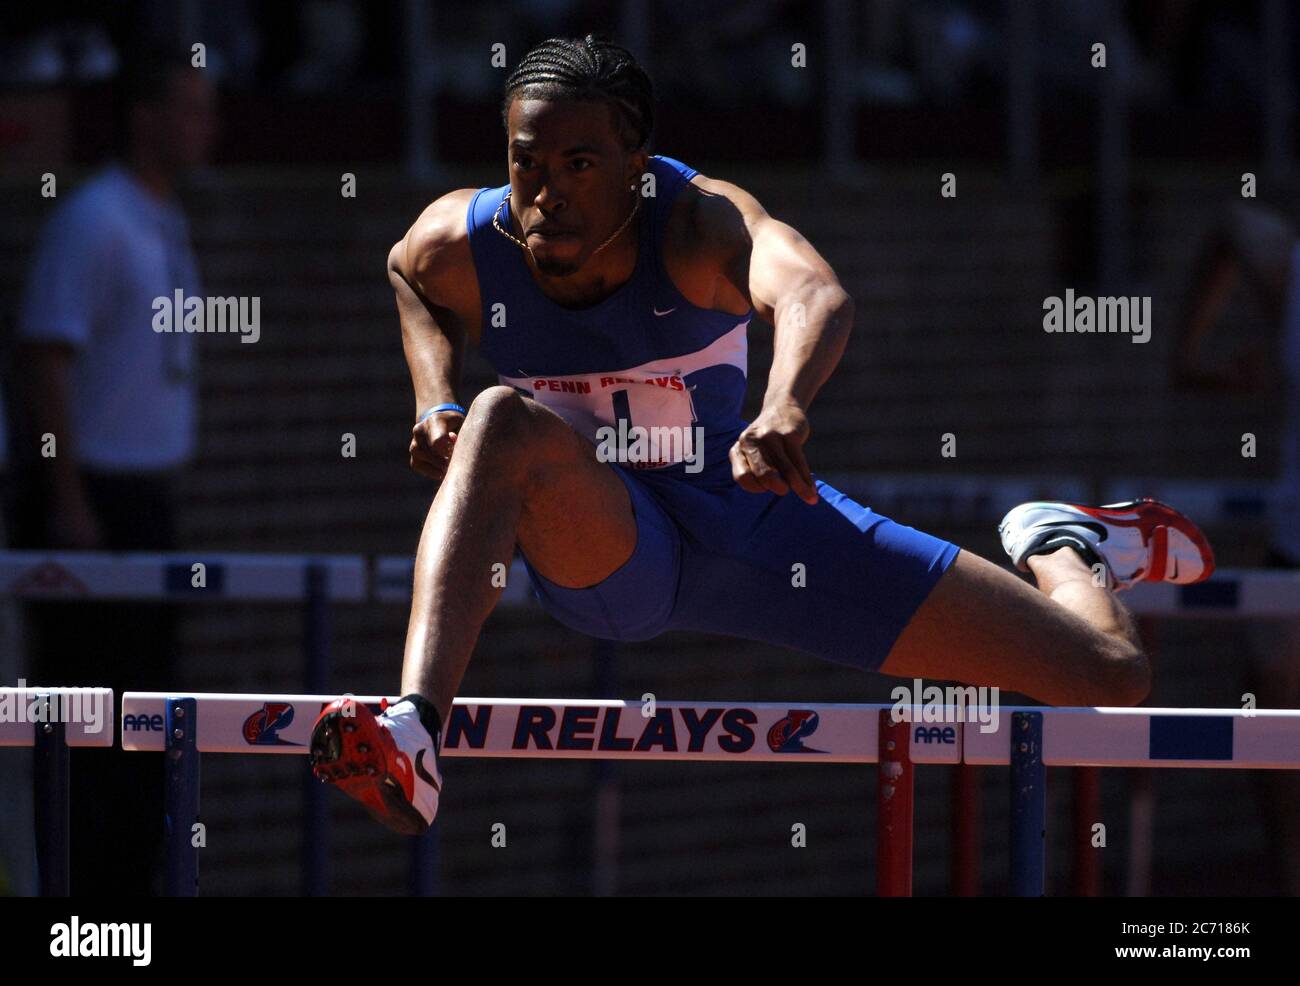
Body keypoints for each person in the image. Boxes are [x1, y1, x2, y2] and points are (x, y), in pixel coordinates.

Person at [310, 34, 1214, 835]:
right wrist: (434, 397)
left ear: (638, 162)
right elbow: (409, 278)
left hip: (756, 522)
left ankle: (1064, 543)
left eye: (580, 165)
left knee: (1109, 675)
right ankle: (415, 727)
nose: (547, 194)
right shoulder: (464, 241)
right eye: (526, 164)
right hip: (609, 551)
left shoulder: (699, 224)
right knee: (501, 422)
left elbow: (815, 294)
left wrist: (784, 403)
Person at [9, 49, 215, 893]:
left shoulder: (162, 221)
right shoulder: (94, 220)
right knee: (90, 724)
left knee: (150, 722)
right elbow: (46, 355)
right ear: (145, 118)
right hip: (96, 500)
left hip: (148, 500)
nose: (208, 129)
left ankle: (135, 898)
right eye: (190, 109)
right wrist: (68, 499)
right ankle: (82, 911)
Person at [1172, 200, 1300, 895]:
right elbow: (1233, 224)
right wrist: (1191, 362)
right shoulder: (1289, 270)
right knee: (1266, 675)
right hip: (1293, 558)